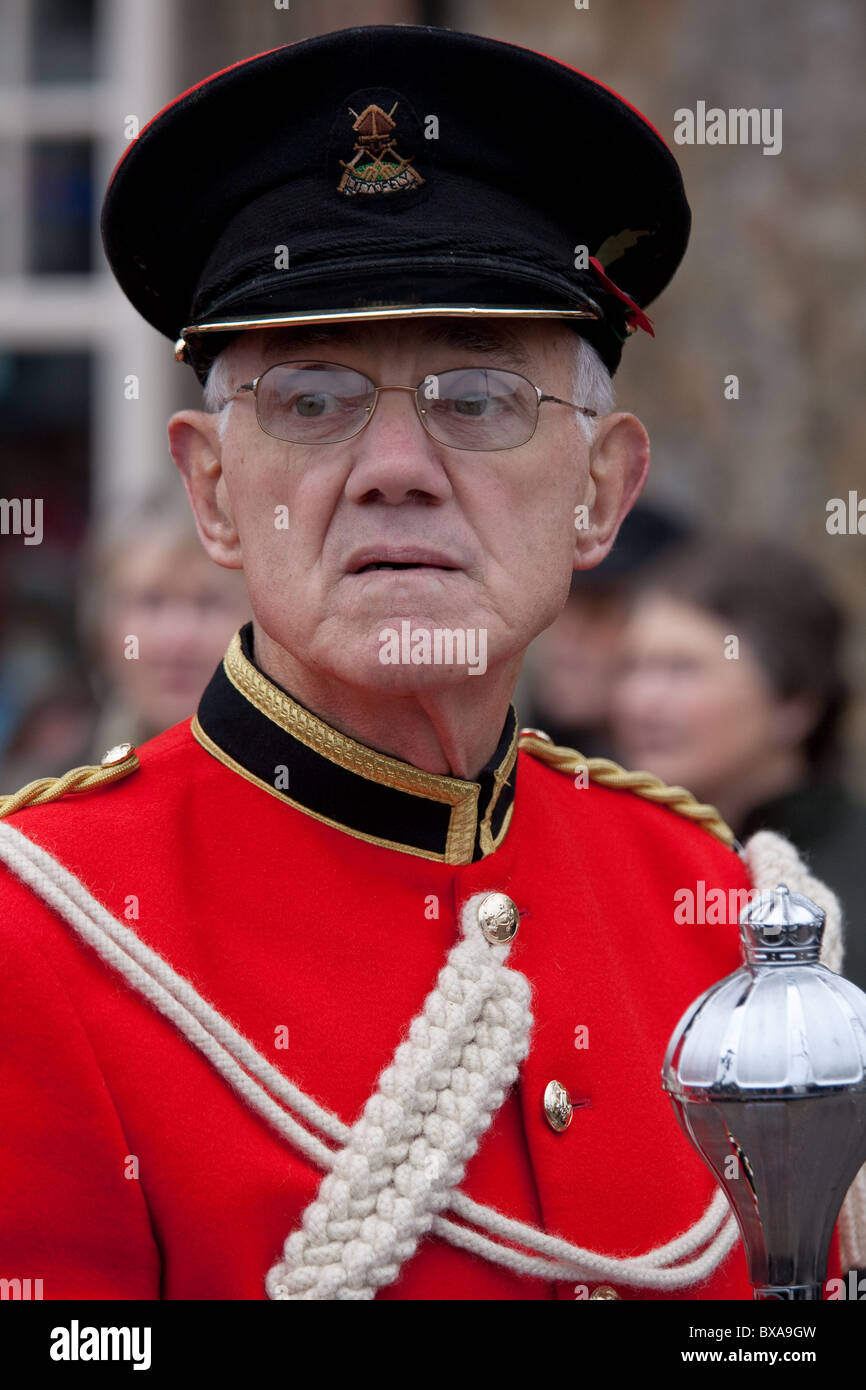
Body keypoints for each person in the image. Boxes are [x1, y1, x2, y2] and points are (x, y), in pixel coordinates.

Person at [0, 25, 858, 1302]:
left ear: (600, 491)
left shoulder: (718, 907)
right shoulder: (40, 936)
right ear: (213, 490)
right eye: (309, 399)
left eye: (478, 398)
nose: (396, 467)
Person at [611, 535, 866, 992]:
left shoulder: (854, 878)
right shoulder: (610, 858)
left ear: (795, 702)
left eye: (683, 669)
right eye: (632, 667)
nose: (640, 701)